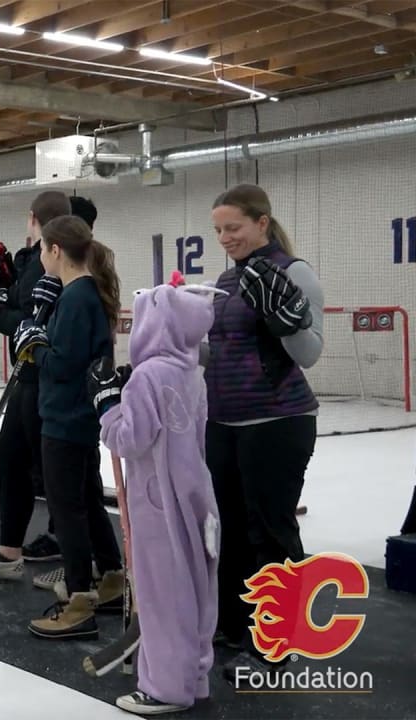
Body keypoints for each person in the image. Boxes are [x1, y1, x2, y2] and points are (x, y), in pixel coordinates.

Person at [203, 184, 324, 681]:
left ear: (262, 223)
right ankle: (236, 626)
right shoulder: (227, 280)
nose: (225, 238)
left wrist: (286, 320)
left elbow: (310, 353)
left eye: (233, 227)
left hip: (277, 423)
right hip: (224, 423)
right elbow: (218, 351)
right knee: (228, 531)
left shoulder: (294, 273)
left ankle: (279, 642)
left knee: (270, 534)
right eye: (218, 231)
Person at [92, 273, 221, 715]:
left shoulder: (146, 376)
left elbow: (130, 439)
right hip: (194, 494)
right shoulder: (191, 372)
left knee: (162, 594)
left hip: (156, 501)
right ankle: (194, 674)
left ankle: (166, 686)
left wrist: (108, 407)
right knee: (196, 587)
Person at [12, 214, 125, 639]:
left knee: (67, 509)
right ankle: (112, 576)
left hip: (65, 417)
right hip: (73, 416)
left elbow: (63, 364)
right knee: (85, 501)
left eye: (41, 248)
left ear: (56, 249)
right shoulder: (76, 294)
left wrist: (34, 347)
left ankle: (79, 599)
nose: (39, 255)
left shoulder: (78, 298)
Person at [0, 191, 73, 583]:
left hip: (50, 382)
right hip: (26, 381)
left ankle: (83, 566)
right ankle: (8, 554)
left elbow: (32, 320)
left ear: (32, 218)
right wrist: (1, 280)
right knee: (11, 464)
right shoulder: (37, 259)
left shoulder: (66, 261)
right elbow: (20, 302)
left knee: (58, 476)